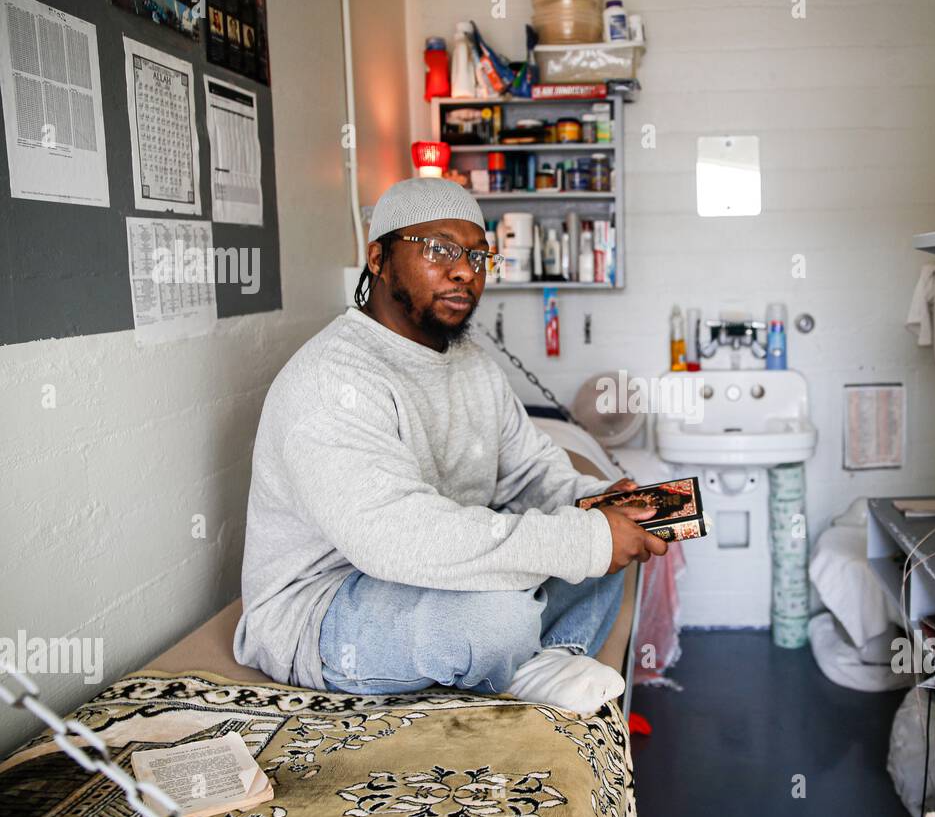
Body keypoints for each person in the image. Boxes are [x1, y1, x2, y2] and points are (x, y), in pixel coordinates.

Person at [234, 178, 667, 714]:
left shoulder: (473, 366)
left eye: (479, 255)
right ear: (378, 258)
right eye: (440, 249)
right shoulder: (332, 379)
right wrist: (582, 540)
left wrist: (599, 501)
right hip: (329, 601)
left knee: (604, 547)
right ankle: (521, 650)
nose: (466, 271)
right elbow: (394, 538)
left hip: (442, 568)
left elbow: (531, 471)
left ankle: (547, 660)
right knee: (499, 615)